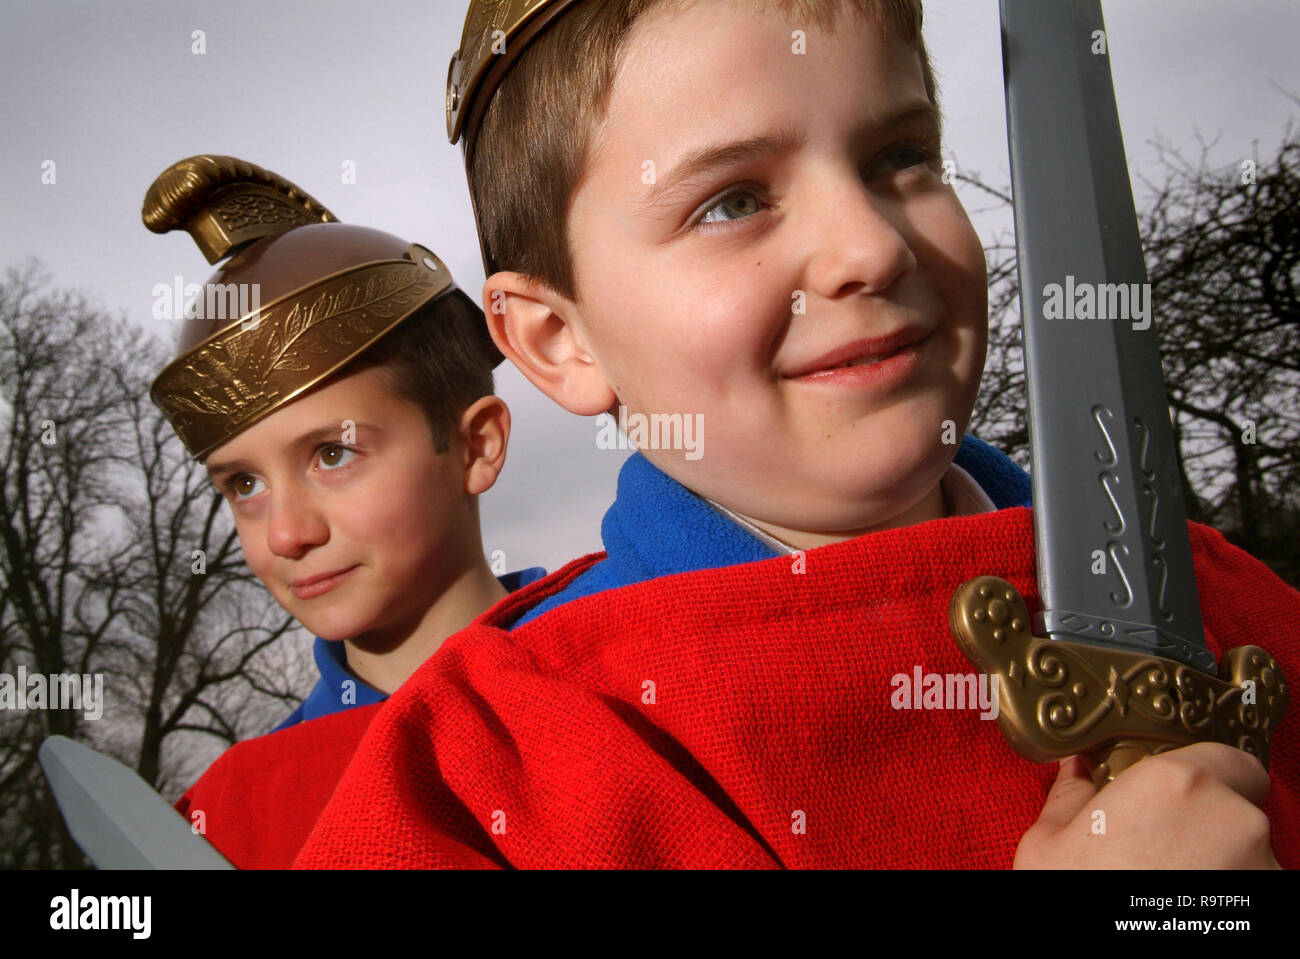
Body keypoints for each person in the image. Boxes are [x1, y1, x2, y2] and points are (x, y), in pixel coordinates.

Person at [293, 0, 1300, 868]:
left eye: (900, 157)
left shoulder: (1239, 602)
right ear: (562, 342)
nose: (869, 243)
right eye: (731, 201)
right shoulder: (473, 777)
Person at [142, 155, 544, 867]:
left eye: (331, 454)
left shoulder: (636, 658)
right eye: (243, 485)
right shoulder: (231, 818)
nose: (287, 533)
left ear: (475, 445)